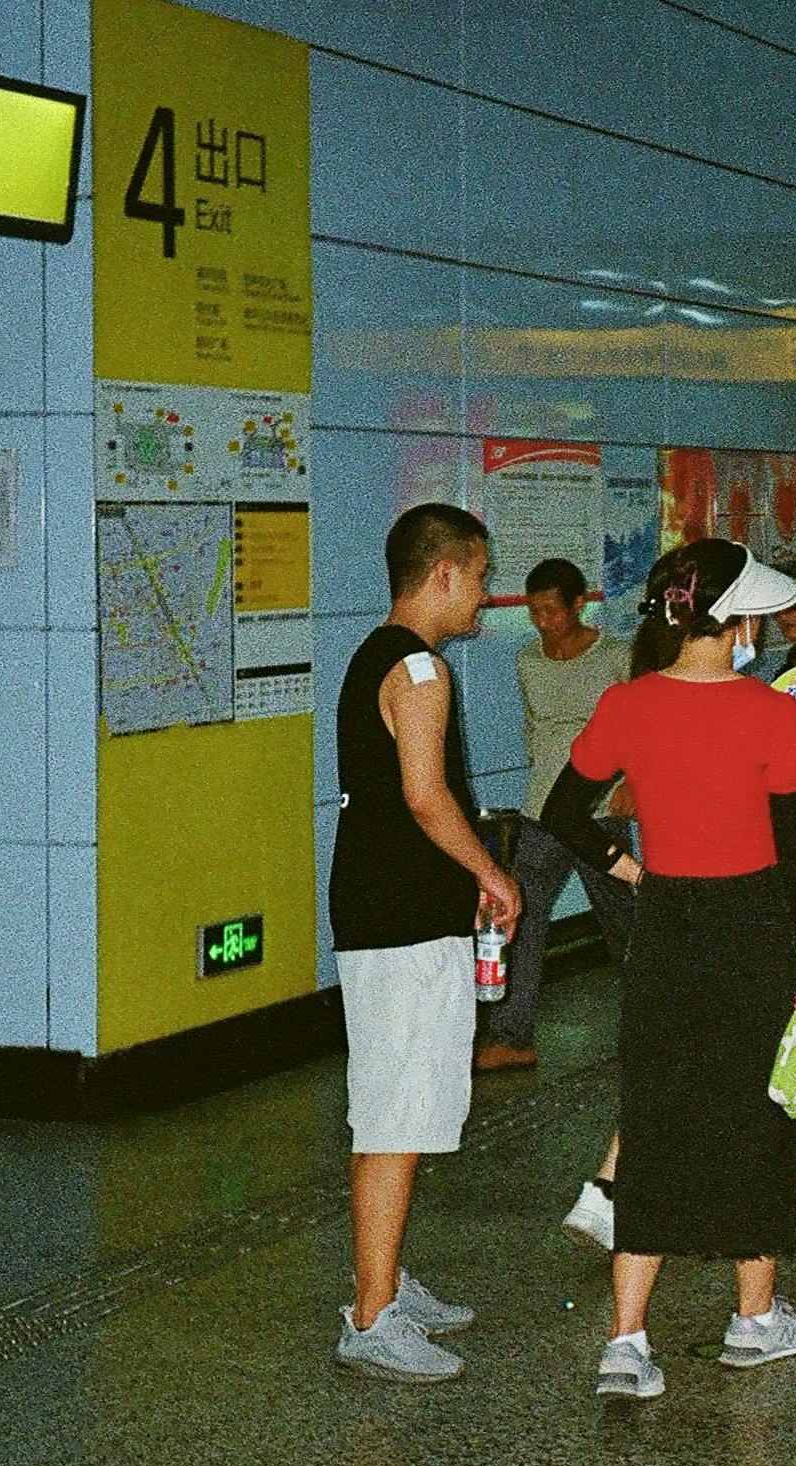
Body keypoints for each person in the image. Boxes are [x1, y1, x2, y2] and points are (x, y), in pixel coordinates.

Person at [539, 540, 796, 1400]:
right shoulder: (772, 714)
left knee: (655, 1106)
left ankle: (626, 1340)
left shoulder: (627, 703)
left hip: (665, 922)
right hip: (751, 925)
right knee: (756, 1108)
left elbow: (561, 811)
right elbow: (795, 847)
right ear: (739, 621)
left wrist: (630, 871)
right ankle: (754, 1318)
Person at [329, 503, 524, 1383]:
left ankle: (386, 1280)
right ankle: (371, 1316)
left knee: (396, 1106)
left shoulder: (380, 656)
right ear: (442, 572)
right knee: (396, 1116)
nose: (484, 598)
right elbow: (424, 796)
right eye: (479, 577)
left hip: (388, 911)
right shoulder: (418, 669)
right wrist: (494, 873)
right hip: (401, 919)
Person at [475, 558, 633, 1074]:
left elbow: (639, 730)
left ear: (578, 604)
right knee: (523, 918)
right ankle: (512, 1035)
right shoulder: (527, 660)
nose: (543, 620)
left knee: (624, 924)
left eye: (551, 609)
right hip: (543, 810)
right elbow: (532, 726)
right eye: (534, 611)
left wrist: (630, 782)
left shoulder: (615, 657)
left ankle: (657, 1023)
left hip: (598, 811)